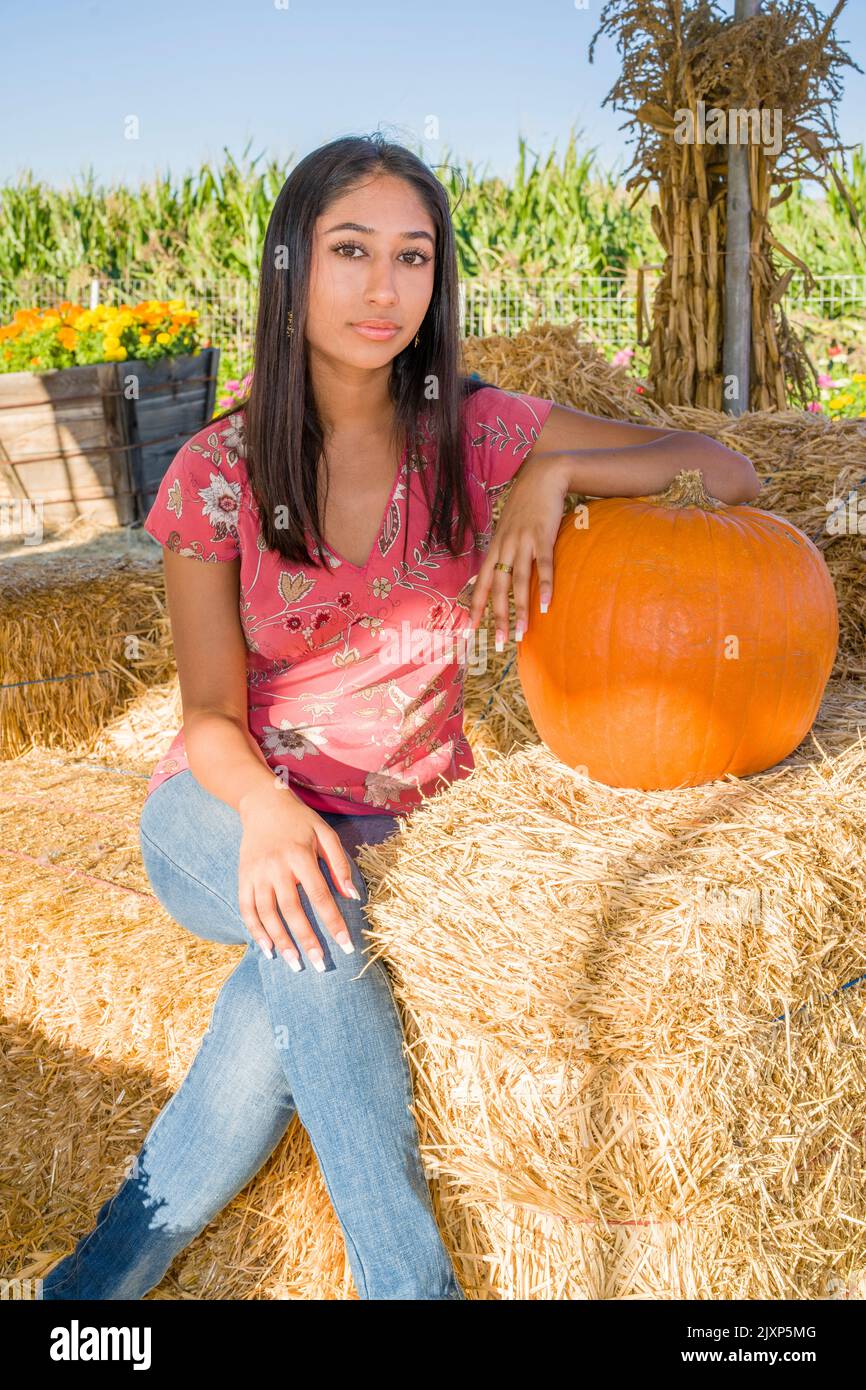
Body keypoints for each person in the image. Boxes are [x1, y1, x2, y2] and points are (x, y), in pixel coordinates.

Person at [39, 131, 759, 1302]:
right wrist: (267, 808)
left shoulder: (475, 434)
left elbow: (722, 471)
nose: (385, 288)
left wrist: (551, 475)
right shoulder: (215, 471)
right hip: (220, 808)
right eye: (351, 251)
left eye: (412, 257)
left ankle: (104, 1275)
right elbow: (211, 711)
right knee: (318, 921)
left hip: (403, 831)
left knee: (295, 968)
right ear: (290, 271)